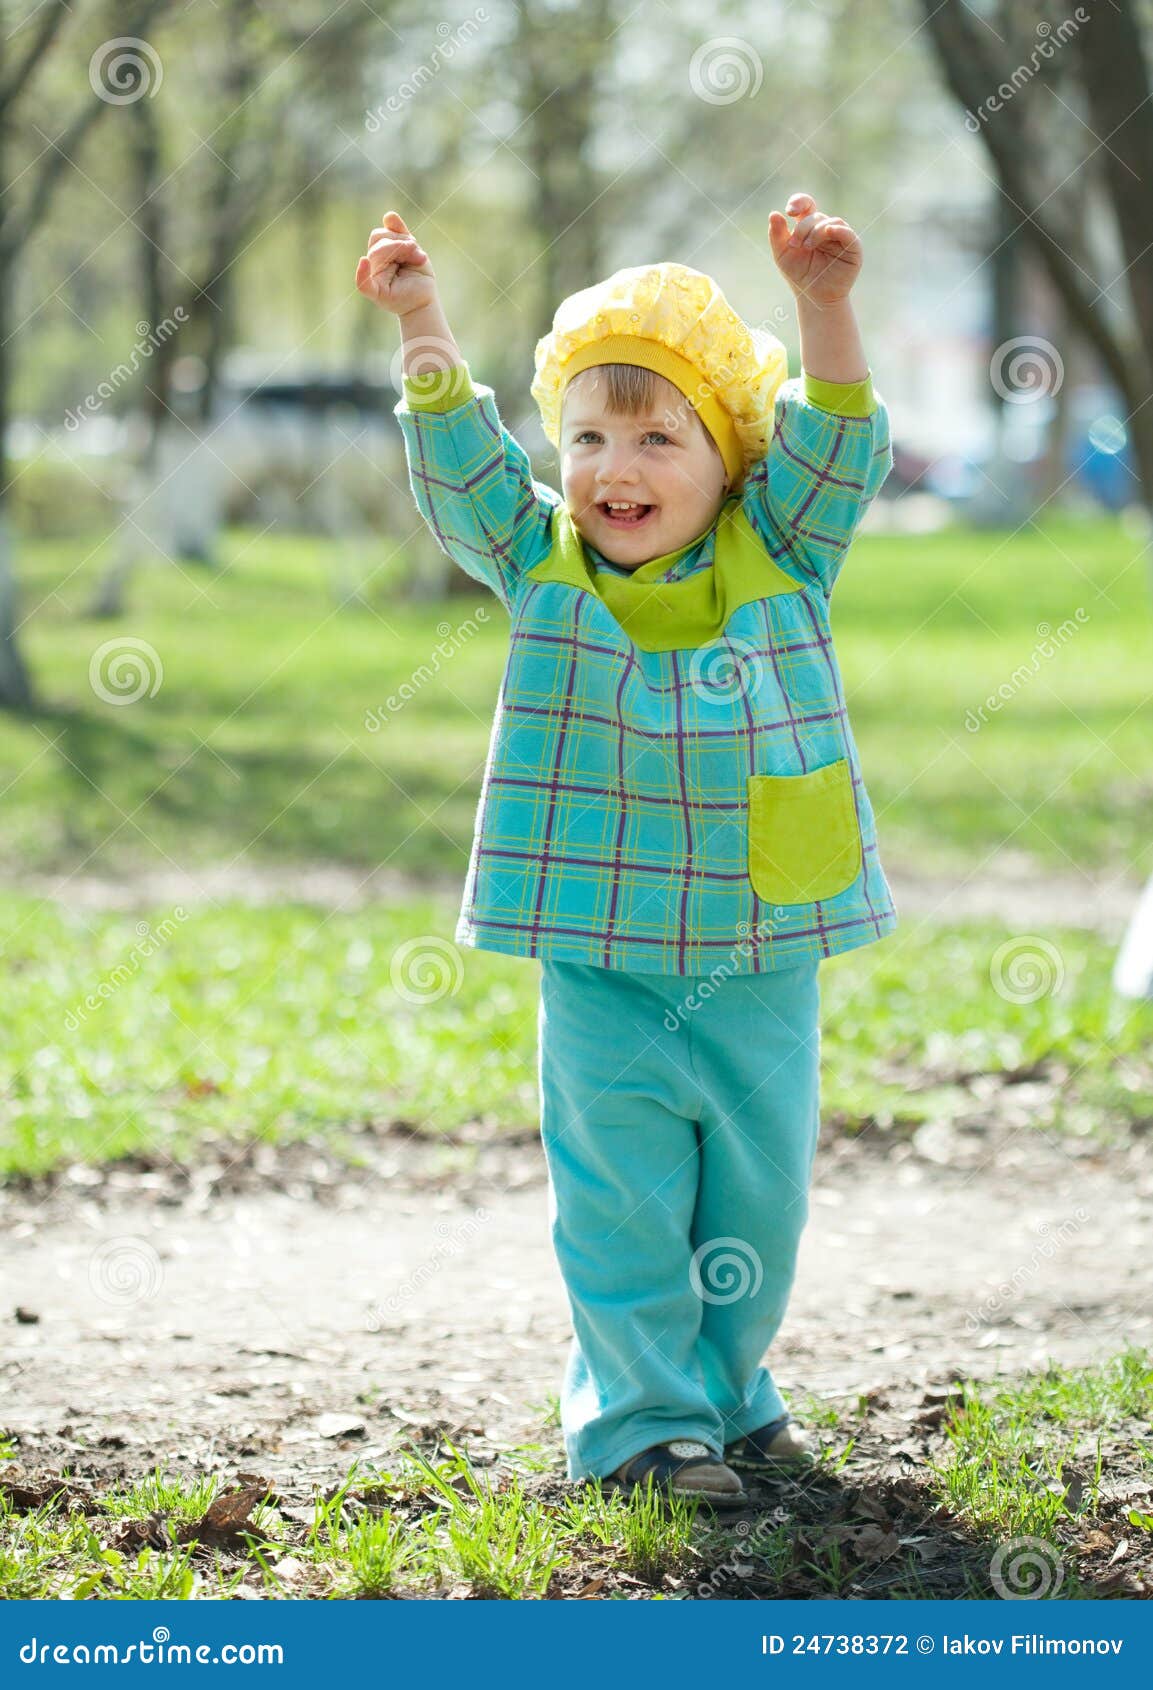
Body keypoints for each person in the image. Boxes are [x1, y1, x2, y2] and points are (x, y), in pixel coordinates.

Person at [355, 192, 897, 1507]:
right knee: (620, 1204)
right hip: (602, 967)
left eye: (659, 435)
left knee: (754, 1215)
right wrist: (422, 321)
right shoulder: (542, 564)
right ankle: (641, 1420)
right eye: (590, 434)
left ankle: (723, 1387)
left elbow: (836, 449)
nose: (617, 466)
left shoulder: (778, 546)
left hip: (758, 950)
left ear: (725, 459)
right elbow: (459, 466)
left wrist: (822, 306)